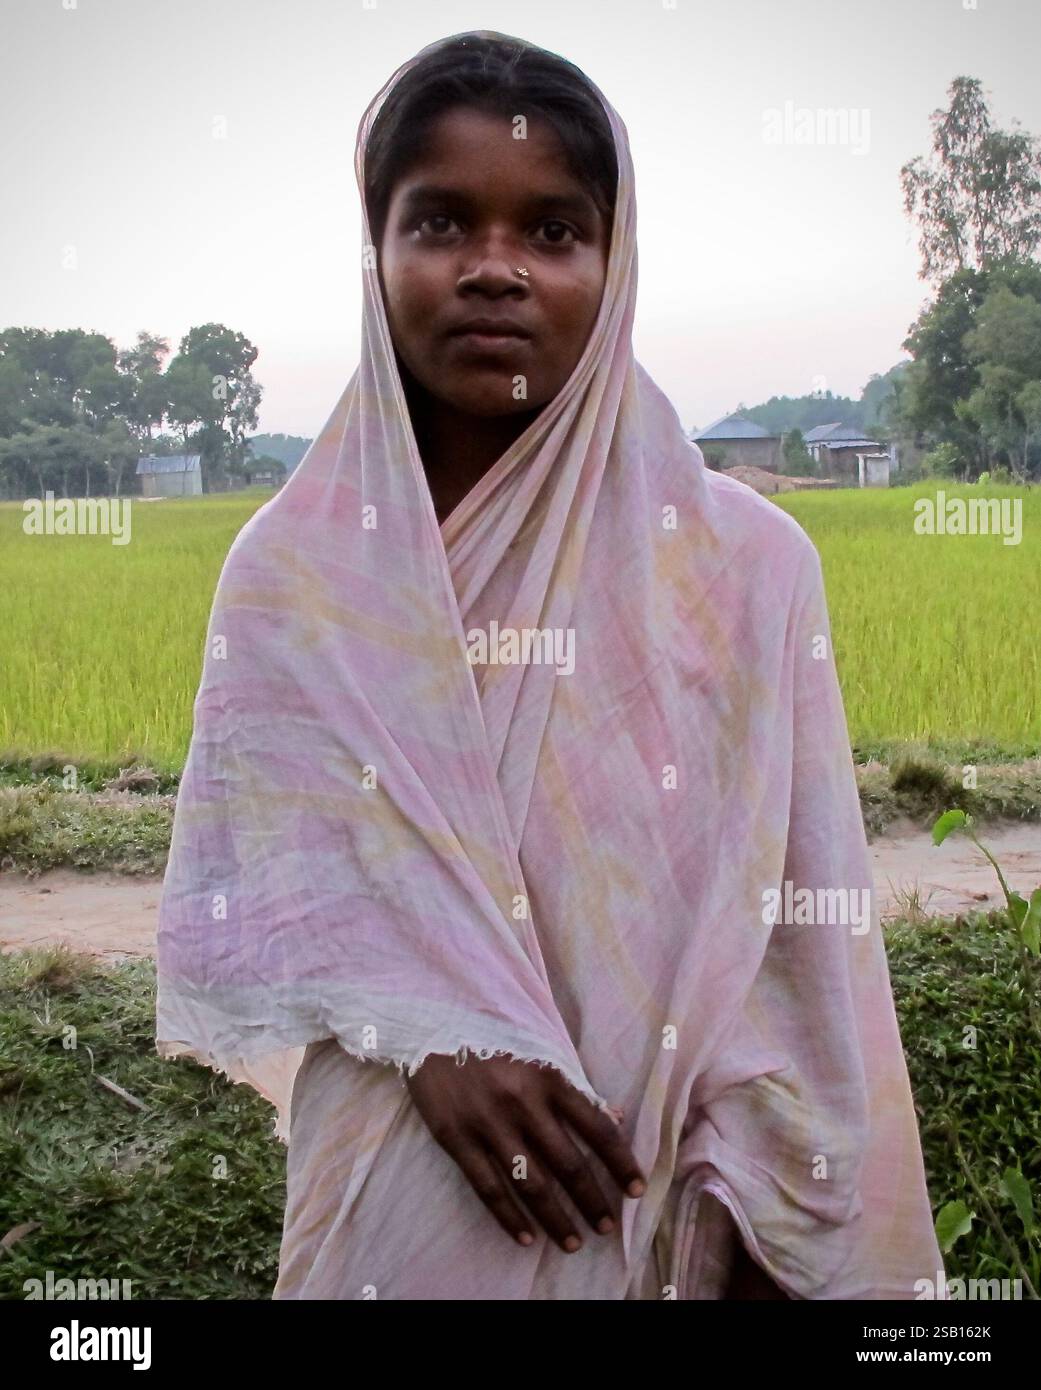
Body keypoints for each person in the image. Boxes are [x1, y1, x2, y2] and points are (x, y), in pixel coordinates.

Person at [156, 31, 945, 1301]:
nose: (494, 271)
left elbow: (803, 951)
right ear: (378, 252)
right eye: (442, 222)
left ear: (614, 262)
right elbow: (267, 905)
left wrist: (754, 1221)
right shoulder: (297, 575)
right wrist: (431, 1033)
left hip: (662, 1202)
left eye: (555, 231)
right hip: (394, 1200)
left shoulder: (742, 569)